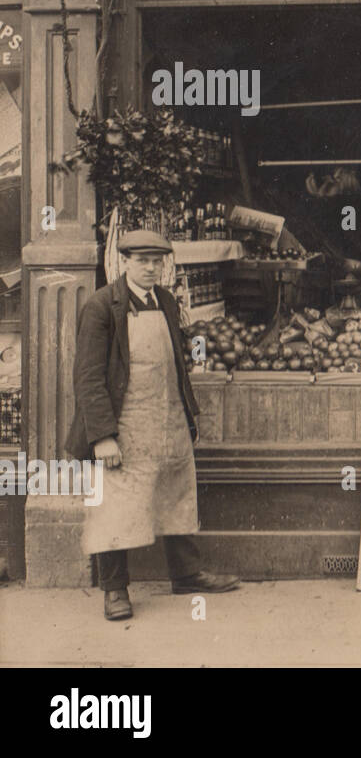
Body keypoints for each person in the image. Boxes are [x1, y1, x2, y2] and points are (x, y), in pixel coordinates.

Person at [70, 230, 240, 621]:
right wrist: (103, 436)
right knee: (116, 506)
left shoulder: (165, 300)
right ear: (124, 261)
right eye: (142, 260)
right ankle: (115, 590)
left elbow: (176, 363)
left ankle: (186, 574)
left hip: (167, 417)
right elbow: (89, 377)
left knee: (176, 493)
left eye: (157, 261)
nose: (150, 268)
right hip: (124, 424)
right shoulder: (102, 306)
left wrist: (187, 412)